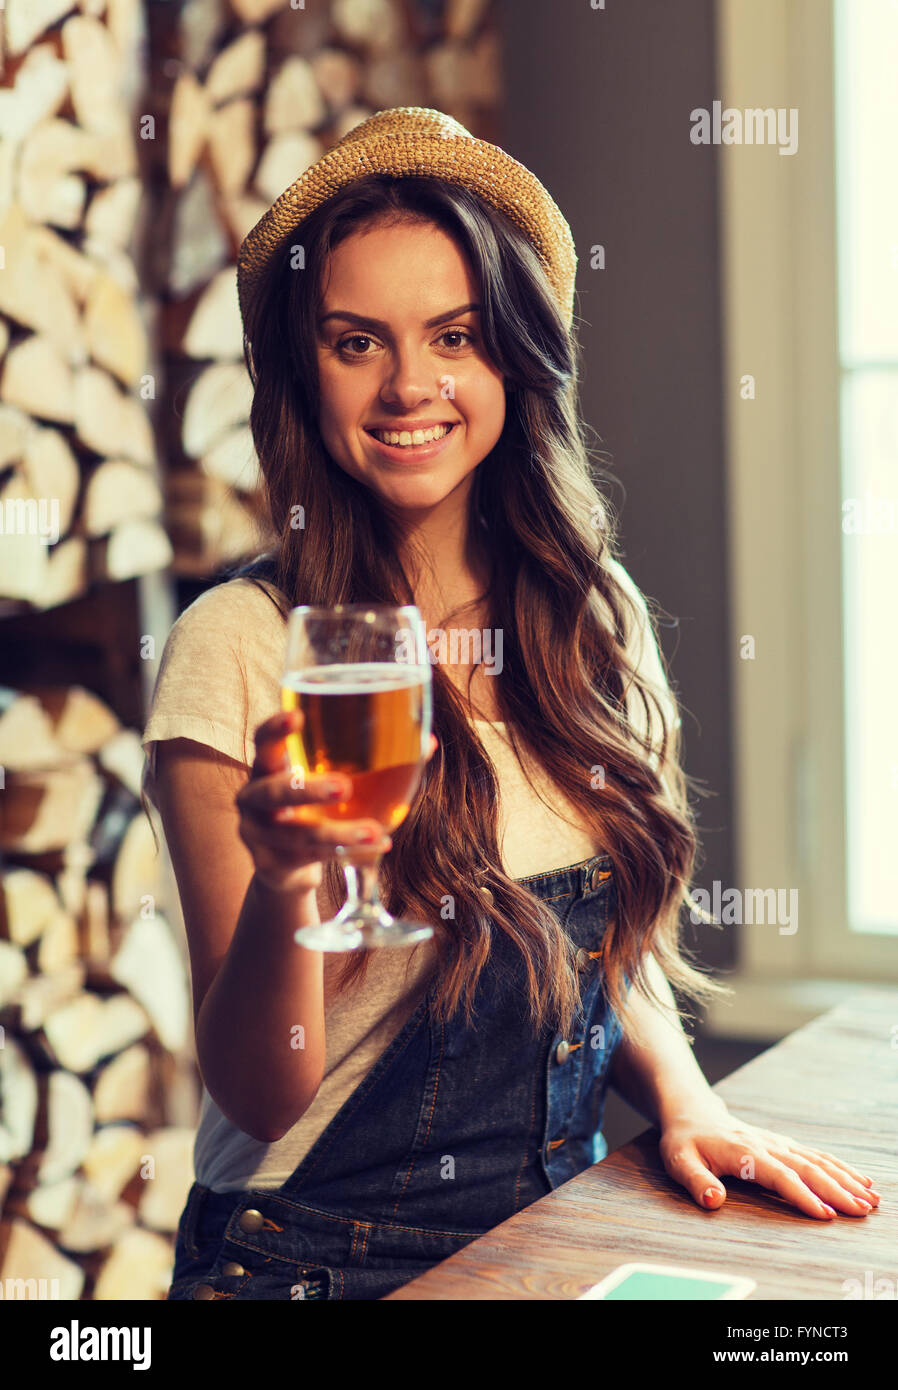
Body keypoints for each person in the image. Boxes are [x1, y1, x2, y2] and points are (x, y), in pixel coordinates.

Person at [141, 108, 878, 1302]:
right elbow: (262, 1090)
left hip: (554, 1227)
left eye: (455, 334)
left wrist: (689, 1104)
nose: (410, 385)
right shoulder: (239, 646)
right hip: (308, 1259)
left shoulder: (593, 616)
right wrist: (291, 885)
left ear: (514, 354)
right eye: (355, 342)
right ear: (302, 372)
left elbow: (604, 950)